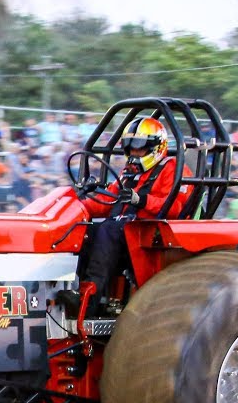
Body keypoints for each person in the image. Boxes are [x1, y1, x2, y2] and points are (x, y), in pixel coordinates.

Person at [69, 117, 191, 317]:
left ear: (155, 147)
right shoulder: (129, 173)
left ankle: (87, 301)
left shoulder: (172, 168)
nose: (134, 154)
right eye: (131, 149)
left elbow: (176, 208)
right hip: (125, 233)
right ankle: (76, 290)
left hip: (149, 235)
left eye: (139, 149)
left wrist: (141, 200)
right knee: (86, 229)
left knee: (108, 230)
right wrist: (76, 209)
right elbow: (104, 202)